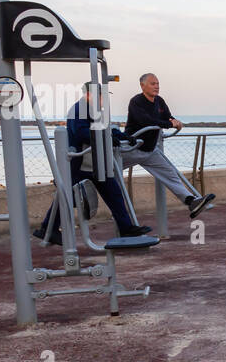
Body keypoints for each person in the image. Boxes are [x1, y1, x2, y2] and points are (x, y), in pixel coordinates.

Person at [34, 85, 151, 246]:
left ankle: (126, 227)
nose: (104, 98)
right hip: (80, 163)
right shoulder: (79, 109)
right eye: (101, 95)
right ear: (89, 94)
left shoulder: (95, 110)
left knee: (114, 193)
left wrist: (124, 136)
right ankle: (47, 228)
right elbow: (82, 132)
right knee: (67, 196)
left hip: (96, 163)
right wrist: (107, 139)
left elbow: (106, 130)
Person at [123, 73, 215, 218]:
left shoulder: (159, 101)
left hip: (150, 151)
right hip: (132, 148)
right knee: (109, 172)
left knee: (171, 174)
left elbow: (167, 117)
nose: (157, 86)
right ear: (142, 85)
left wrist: (175, 121)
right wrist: (168, 124)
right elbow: (146, 121)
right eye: (153, 84)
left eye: (158, 83)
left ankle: (191, 202)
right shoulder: (136, 101)